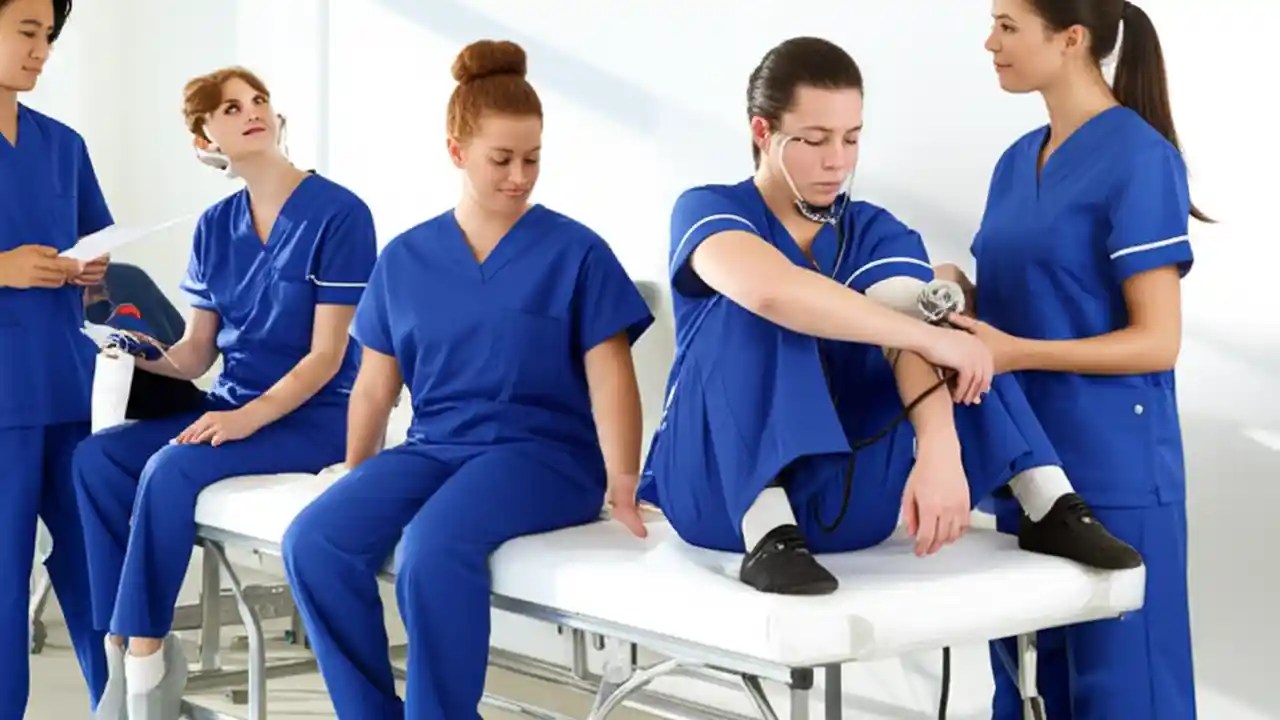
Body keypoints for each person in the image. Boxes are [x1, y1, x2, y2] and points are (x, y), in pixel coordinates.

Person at [636, 36, 1143, 598]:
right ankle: (769, 531)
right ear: (763, 132)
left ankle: (1049, 502)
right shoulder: (709, 208)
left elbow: (911, 325)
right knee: (762, 306)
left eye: (852, 138)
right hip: (720, 497)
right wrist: (923, 335)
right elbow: (770, 291)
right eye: (814, 139)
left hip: (849, 502)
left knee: (940, 312)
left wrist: (940, 445)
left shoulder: (873, 228)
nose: (838, 161)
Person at [281, 40, 653, 719]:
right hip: (436, 447)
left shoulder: (577, 251)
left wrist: (623, 482)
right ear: (457, 151)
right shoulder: (406, 257)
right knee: (315, 540)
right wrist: (358, 471)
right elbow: (373, 386)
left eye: (532, 159)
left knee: (432, 547)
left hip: (544, 457)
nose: (520, 176)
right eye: (501, 159)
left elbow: (613, 380)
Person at [70, 66, 377, 719]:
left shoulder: (341, 215)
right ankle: (120, 647)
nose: (252, 112)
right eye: (231, 107)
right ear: (204, 136)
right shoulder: (215, 227)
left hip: (316, 415)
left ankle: (145, 664)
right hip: (232, 406)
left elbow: (327, 358)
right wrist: (130, 350)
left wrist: (246, 421)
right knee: (95, 460)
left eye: (259, 101)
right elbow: (193, 356)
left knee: (173, 465)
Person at [937, 2, 1204, 717]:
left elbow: (1158, 340)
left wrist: (1016, 349)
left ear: (1072, 38)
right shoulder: (1014, 161)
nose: (989, 42)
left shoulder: (1141, 159)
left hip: (1113, 476)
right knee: (1026, 692)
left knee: (1122, 695)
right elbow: (1031, 302)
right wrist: (962, 296)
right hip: (1022, 469)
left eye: (1008, 26)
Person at [0, 0, 115, 716]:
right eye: (27, 33)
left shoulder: (63, 144)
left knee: (97, 571)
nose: (43, 51)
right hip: (3, 406)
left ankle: (121, 709)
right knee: (3, 588)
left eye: (49, 36)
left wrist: (97, 272)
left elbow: (102, 253)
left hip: (71, 396)